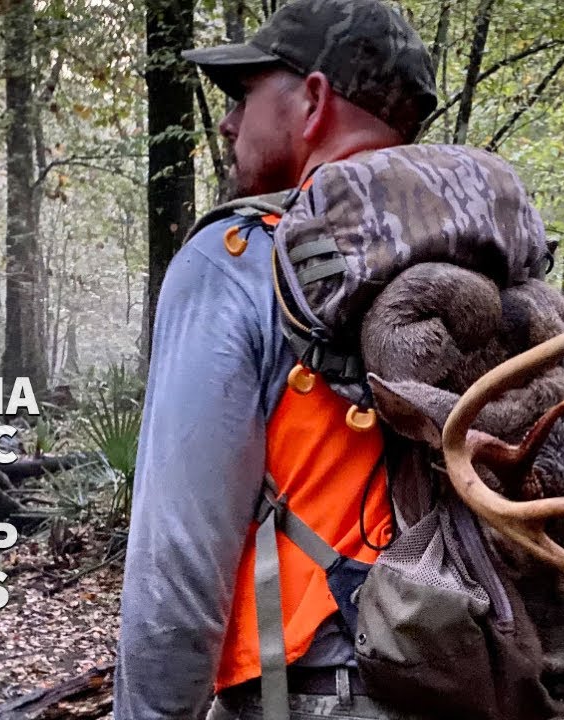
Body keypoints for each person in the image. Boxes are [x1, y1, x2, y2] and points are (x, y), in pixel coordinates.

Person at [114, 1, 437, 718]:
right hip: (473, 685)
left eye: (246, 94)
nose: (229, 123)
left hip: (311, 693)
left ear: (314, 100)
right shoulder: (484, 267)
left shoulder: (238, 261)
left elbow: (177, 565)